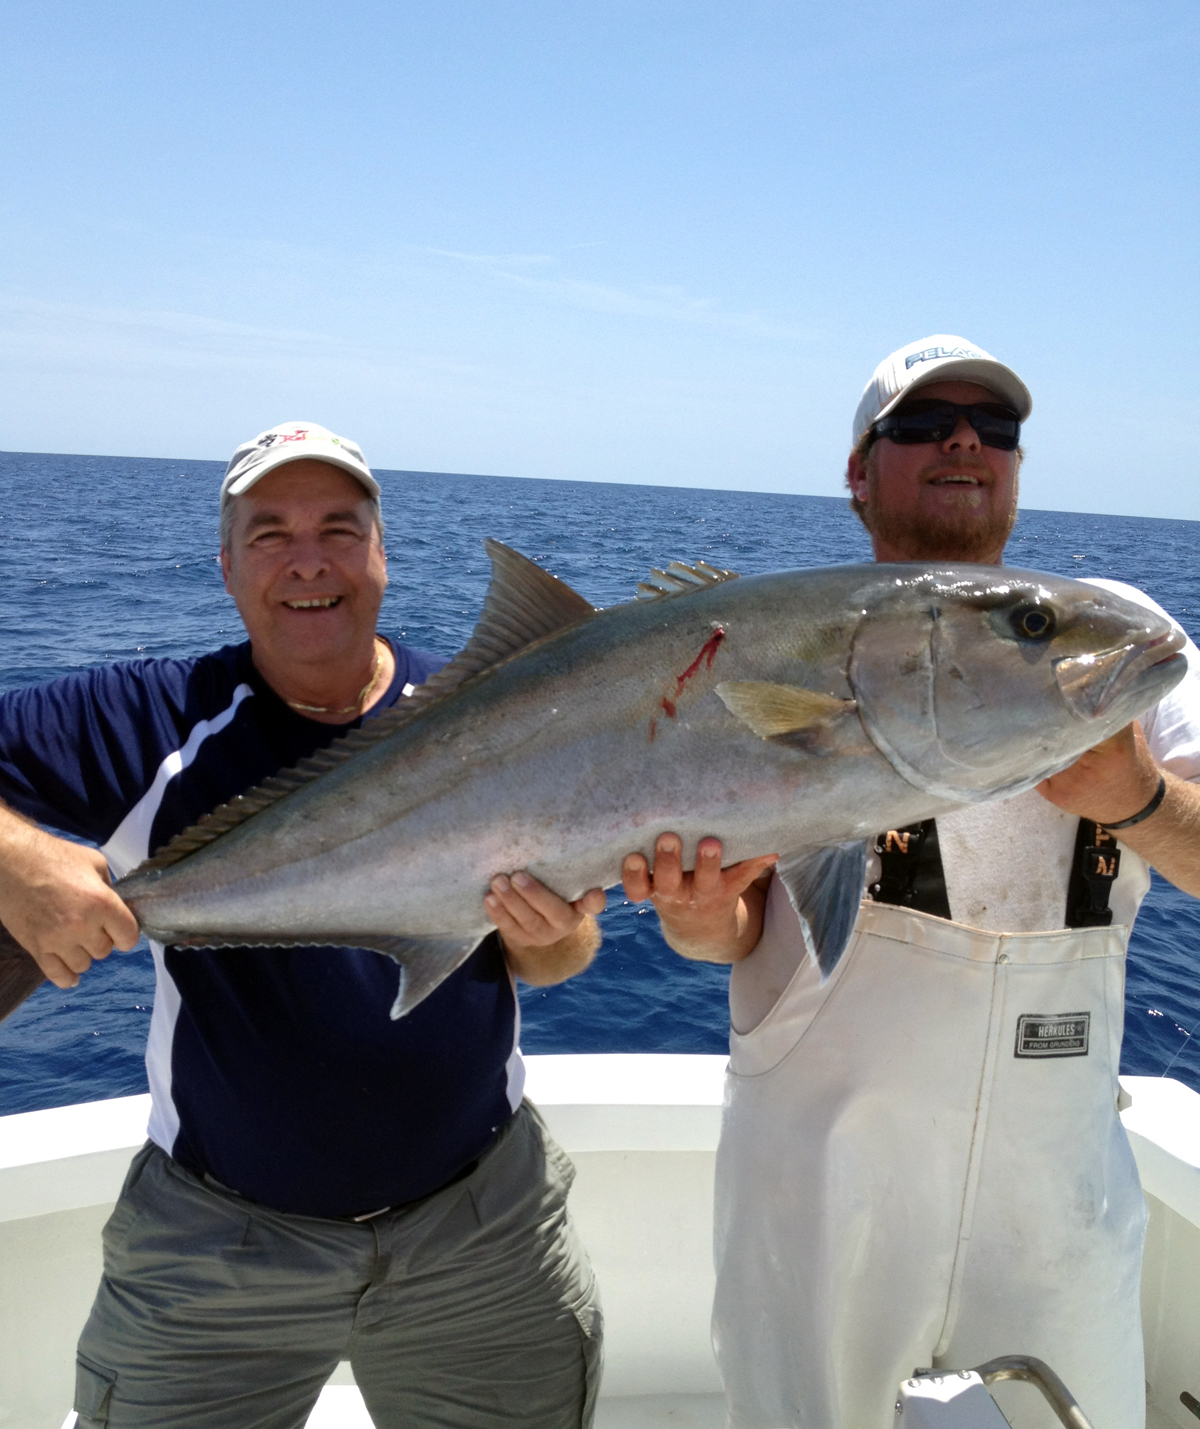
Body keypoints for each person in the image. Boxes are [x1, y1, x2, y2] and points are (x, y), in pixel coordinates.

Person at [622, 337, 1200, 1429]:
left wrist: (1136, 795)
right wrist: (697, 915)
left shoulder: (1110, 636)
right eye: (926, 425)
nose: (967, 441)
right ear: (859, 470)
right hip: (818, 1201)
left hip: (1058, 1212)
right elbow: (732, 930)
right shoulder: (773, 642)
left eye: (996, 428)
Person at [0, 421, 605, 1429]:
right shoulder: (155, 718)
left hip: (482, 1231)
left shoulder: (498, 715)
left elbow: (560, 955)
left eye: (339, 526)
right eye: (270, 532)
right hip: (213, 1250)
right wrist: (19, 864)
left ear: (382, 551)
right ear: (226, 565)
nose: (308, 559)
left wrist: (552, 938)